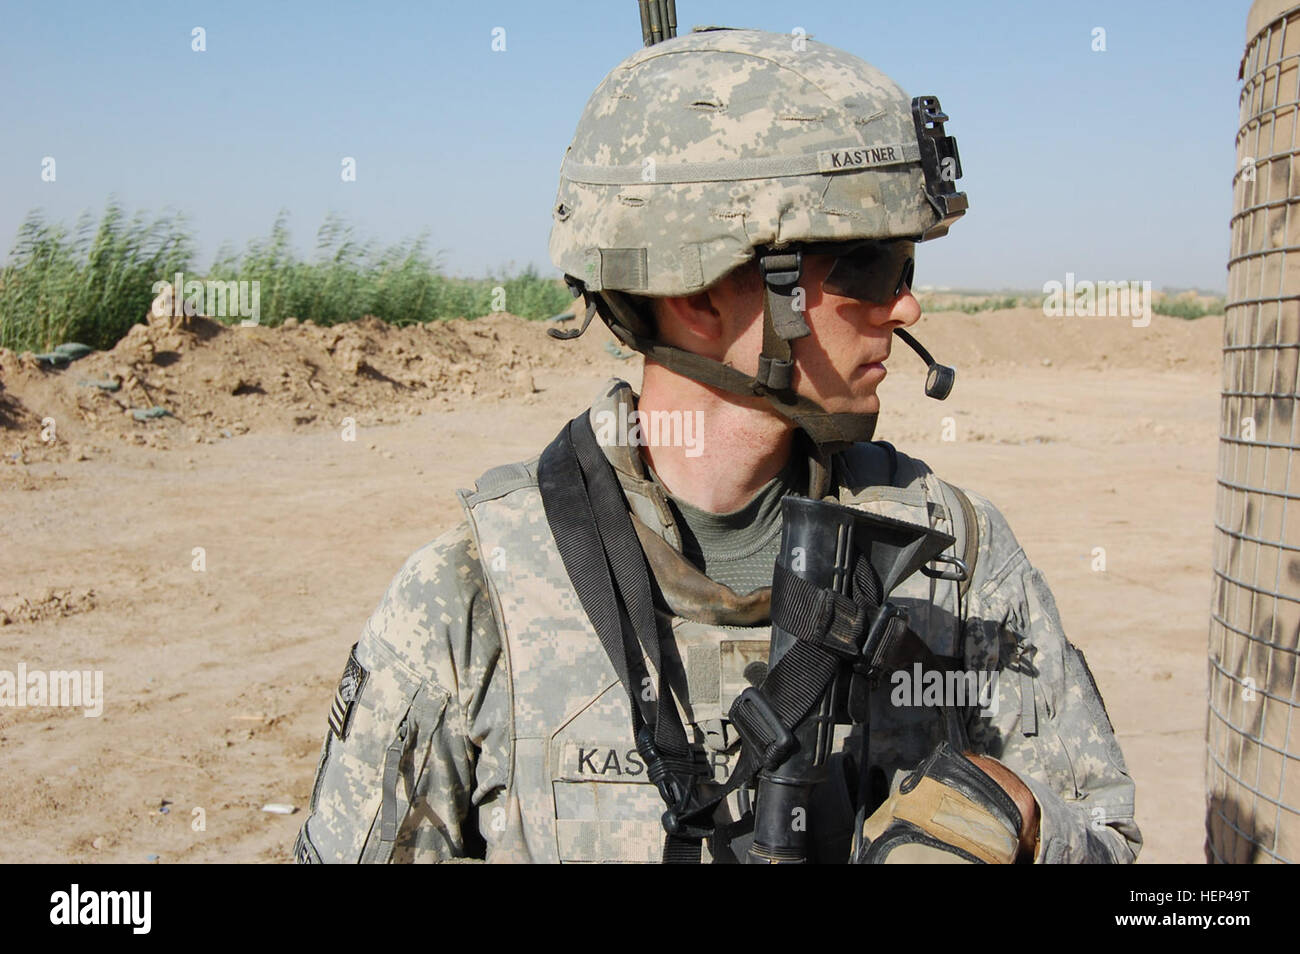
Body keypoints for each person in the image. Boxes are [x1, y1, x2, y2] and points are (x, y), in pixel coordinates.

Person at [294, 25, 1140, 864]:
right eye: (872, 265)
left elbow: (1119, 856)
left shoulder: (954, 562)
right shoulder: (477, 597)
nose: (906, 308)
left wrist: (1024, 822)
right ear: (702, 296)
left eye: (906, 269)